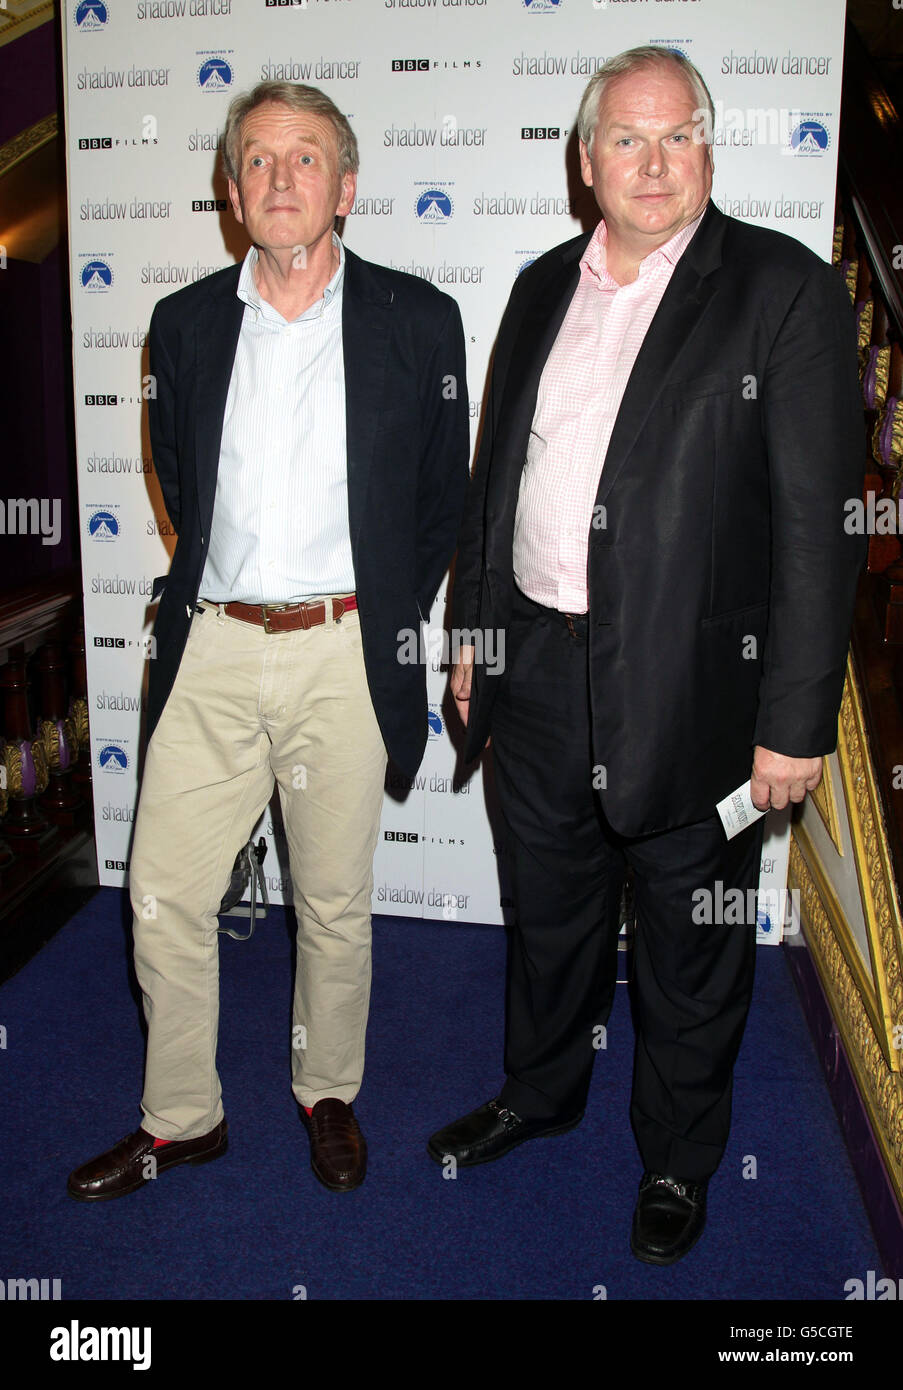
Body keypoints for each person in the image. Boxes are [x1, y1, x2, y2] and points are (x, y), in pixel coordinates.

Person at [429, 46, 863, 1263]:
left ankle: (677, 1159)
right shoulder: (533, 288)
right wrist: (473, 641)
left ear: (710, 149)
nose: (654, 161)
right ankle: (541, 1089)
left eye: (679, 136)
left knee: (691, 940)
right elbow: (491, 489)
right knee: (551, 915)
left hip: (701, 691)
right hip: (538, 671)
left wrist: (796, 719)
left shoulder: (779, 289)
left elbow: (820, 532)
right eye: (628, 138)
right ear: (586, 161)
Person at [68, 81, 469, 1201]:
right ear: (230, 187)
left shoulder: (418, 318)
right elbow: (181, 481)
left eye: (305, 158)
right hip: (216, 647)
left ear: (345, 186)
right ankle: (183, 1118)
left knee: (333, 899)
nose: (280, 178)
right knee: (161, 891)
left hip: (345, 648)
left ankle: (325, 1088)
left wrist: (379, 610)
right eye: (257, 159)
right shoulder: (185, 322)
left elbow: (442, 499)